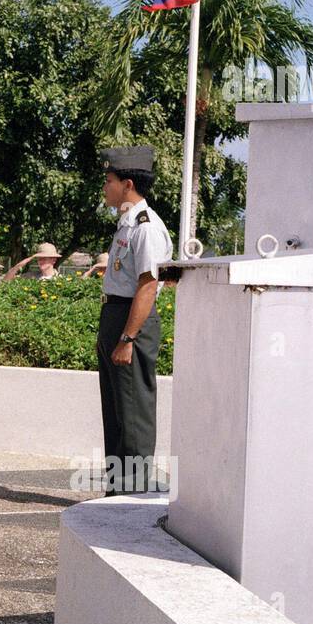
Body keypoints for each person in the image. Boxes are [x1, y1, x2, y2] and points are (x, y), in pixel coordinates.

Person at [97, 146, 173, 495]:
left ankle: (135, 495)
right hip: (116, 315)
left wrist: (127, 338)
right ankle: (117, 493)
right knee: (115, 413)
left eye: (109, 180)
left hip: (132, 320)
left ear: (127, 184)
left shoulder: (146, 227)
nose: (105, 186)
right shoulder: (127, 222)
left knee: (134, 415)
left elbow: (148, 284)